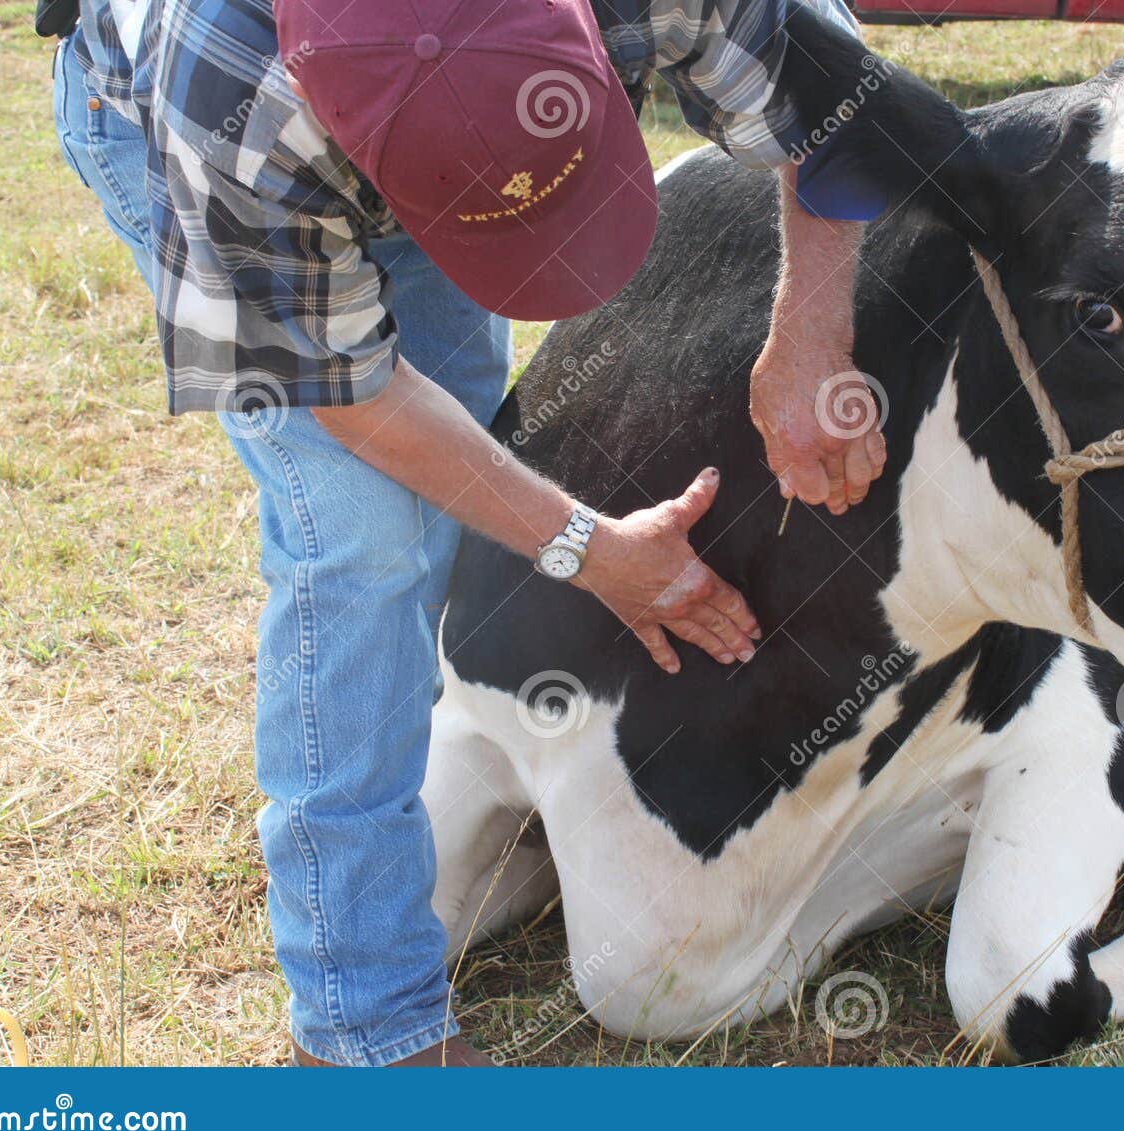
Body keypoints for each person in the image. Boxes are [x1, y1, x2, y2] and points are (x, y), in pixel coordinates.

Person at [51, 0, 887, 1066]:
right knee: (360, 547)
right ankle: (364, 1021)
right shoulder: (234, 98)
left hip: (402, 142)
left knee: (465, 468)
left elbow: (839, 101)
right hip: (185, 132)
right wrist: (587, 548)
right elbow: (357, 397)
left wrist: (811, 334)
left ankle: (439, 777)